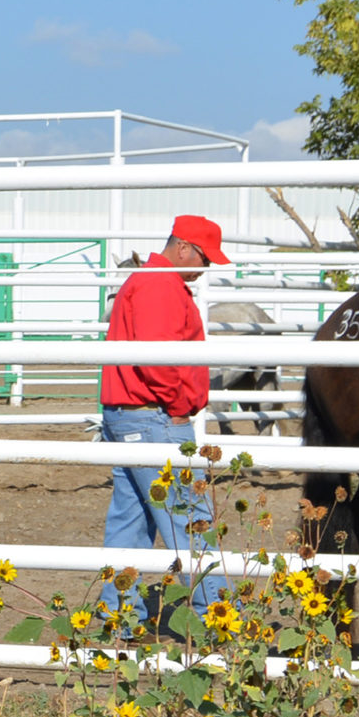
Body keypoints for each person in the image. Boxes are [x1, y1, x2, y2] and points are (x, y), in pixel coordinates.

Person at [98, 214, 233, 622]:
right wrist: (179, 407)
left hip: (130, 417)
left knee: (132, 519)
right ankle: (217, 616)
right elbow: (159, 360)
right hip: (153, 418)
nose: (206, 268)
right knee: (190, 516)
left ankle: (118, 614)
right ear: (184, 248)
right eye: (205, 258)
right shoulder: (161, 285)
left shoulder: (150, 281)